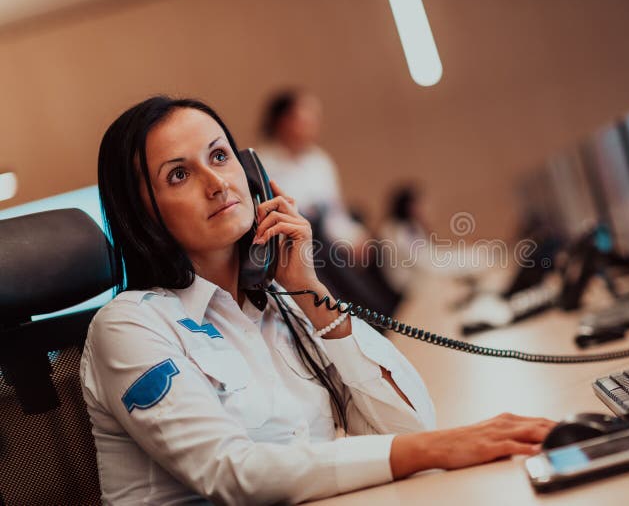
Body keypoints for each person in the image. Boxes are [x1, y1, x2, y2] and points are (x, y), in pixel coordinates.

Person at [81, 96, 556, 504]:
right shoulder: (128, 327)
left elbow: (409, 428)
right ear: (141, 214)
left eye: (221, 157)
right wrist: (437, 448)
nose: (217, 182)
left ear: (253, 175)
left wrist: (311, 292)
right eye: (180, 174)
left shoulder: (282, 304)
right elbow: (232, 474)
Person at [256, 89, 401, 314]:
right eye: (306, 117)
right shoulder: (264, 164)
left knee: (371, 242)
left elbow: (335, 212)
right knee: (323, 250)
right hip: (294, 243)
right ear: (284, 122)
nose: (314, 124)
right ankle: (368, 315)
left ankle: (388, 310)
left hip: (327, 235)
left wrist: (355, 237)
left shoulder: (319, 161)